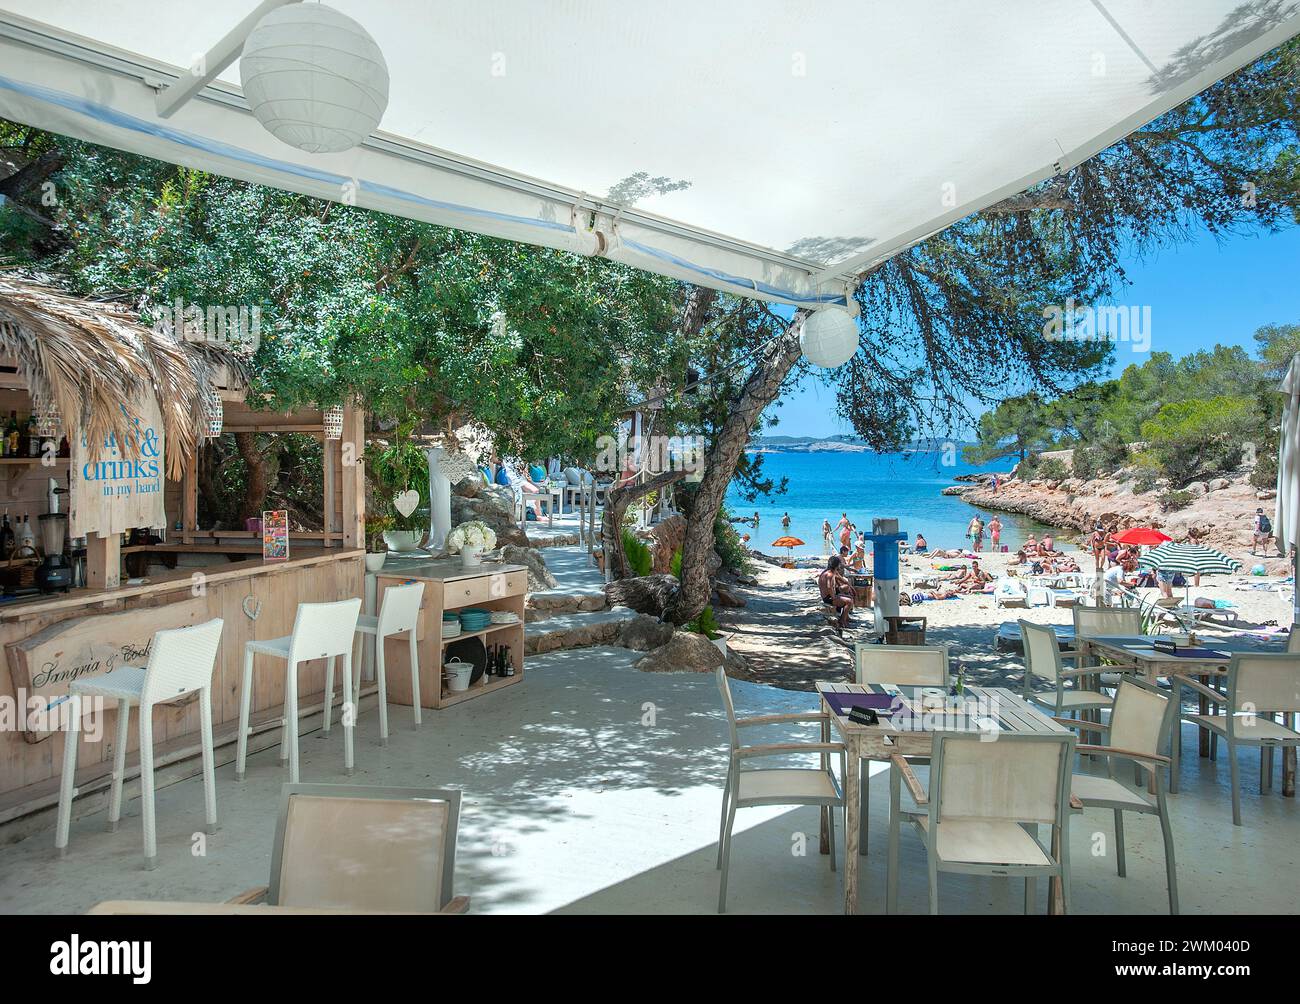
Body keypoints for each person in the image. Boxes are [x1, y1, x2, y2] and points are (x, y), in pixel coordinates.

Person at [818, 555, 855, 634]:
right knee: (849, 601)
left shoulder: (831, 572)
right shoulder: (830, 574)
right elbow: (829, 587)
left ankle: (845, 617)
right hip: (828, 598)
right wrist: (834, 597)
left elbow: (843, 580)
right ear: (837, 565)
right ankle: (842, 621)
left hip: (830, 595)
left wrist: (851, 587)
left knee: (847, 592)